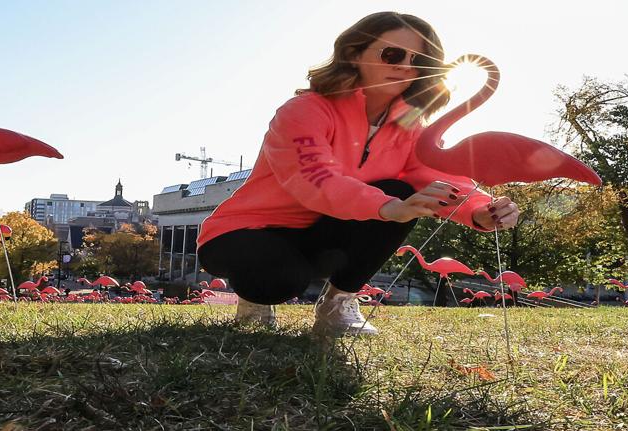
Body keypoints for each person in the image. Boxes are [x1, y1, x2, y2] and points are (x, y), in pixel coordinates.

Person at [195, 11, 519, 336]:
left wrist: (480, 210)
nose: (404, 65)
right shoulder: (305, 110)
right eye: (391, 54)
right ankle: (255, 301)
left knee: (402, 191)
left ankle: (338, 304)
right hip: (247, 230)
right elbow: (314, 178)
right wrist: (386, 207)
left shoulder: (409, 127)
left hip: (320, 233)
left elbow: (438, 176)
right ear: (354, 53)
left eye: (418, 59)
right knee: (279, 280)